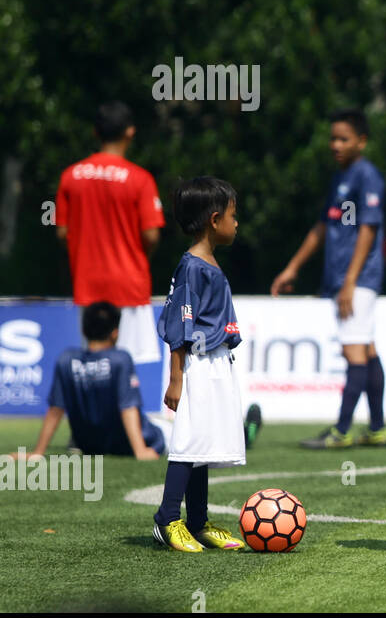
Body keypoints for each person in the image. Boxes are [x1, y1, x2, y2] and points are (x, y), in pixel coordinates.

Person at [272, 109, 386, 449]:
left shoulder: (367, 176)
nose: (335, 144)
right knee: (365, 348)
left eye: (344, 139)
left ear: (362, 141)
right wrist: (293, 267)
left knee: (354, 348)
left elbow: (368, 229)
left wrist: (350, 282)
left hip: (358, 279)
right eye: (333, 138)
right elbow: (322, 227)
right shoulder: (340, 178)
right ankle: (378, 428)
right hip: (346, 278)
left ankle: (341, 430)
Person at [152, 177, 246, 553]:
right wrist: (176, 378)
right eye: (233, 215)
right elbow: (179, 324)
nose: (236, 223)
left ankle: (197, 520)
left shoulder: (210, 262)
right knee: (189, 442)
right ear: (214, 219)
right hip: (197, 365)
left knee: (204, 442)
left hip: (218, 361)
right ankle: (167, 518)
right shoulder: (190, 267)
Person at [56, 101, 165, 366]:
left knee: (94, 365)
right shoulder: (140, 179)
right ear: (130, 132)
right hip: (128, 284)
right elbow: (151, 235)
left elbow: (62, 232)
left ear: (95, 132)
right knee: (124, 368)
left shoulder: (71, 176)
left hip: (87, 284)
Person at [10, 302, 165, 461]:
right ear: (115, 333)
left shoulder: (66, 359)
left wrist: (38, 452)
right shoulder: (120, 358)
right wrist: (140, 451)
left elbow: (55, 409)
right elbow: (128, 407)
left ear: (83, 330)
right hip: (129, 443)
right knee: (170, 429)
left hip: (89, 445)